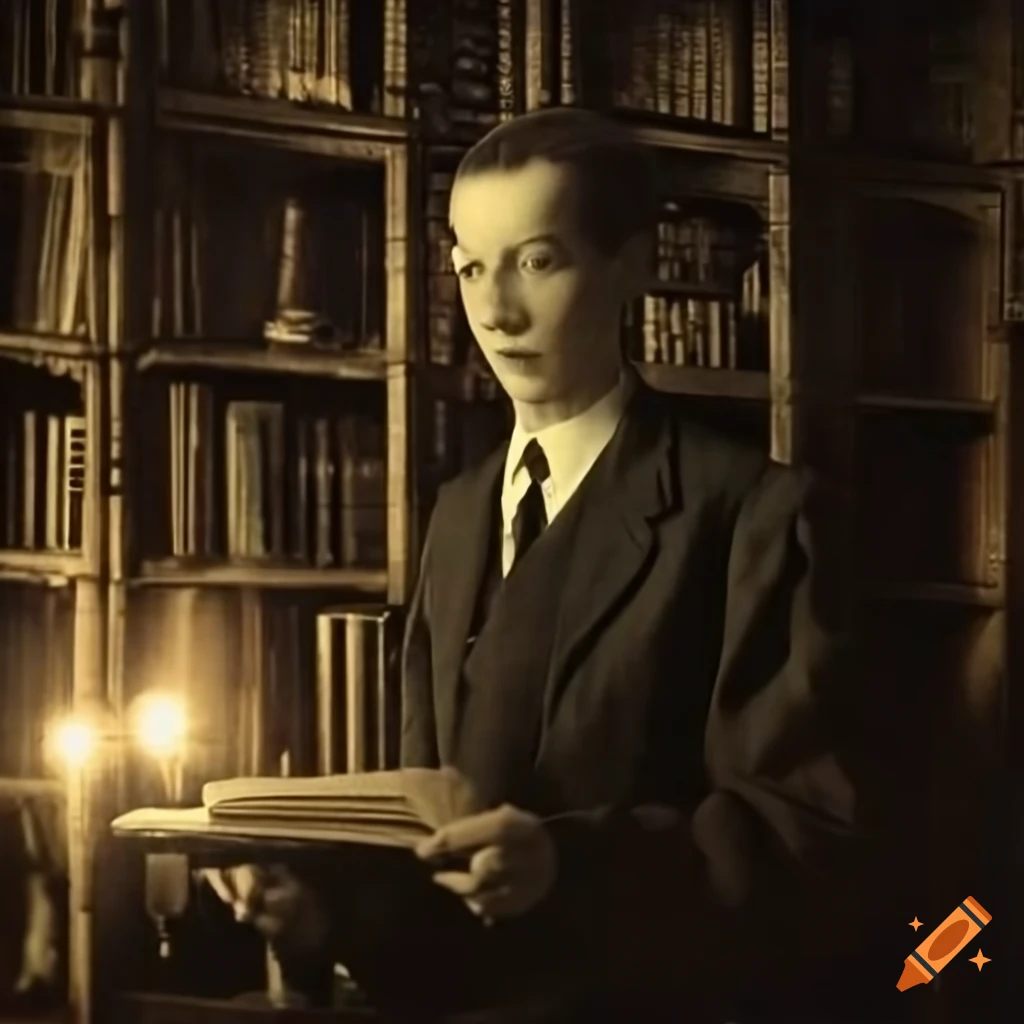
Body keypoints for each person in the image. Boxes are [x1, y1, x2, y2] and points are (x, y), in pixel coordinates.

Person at [207, 108, 876, 1022]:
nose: (495, 310)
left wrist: (567, 864)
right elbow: (426, 841)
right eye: (473, 267)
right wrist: (319, 912)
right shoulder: (456, 517)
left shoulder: (758, 515)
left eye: (538, 260)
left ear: (632, 264)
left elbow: (803, 843)